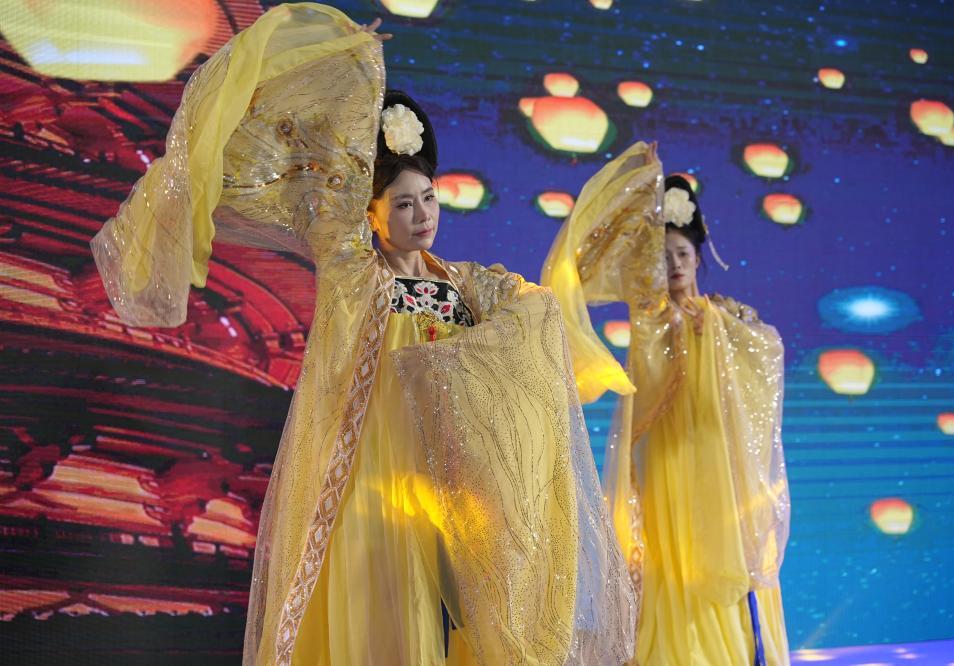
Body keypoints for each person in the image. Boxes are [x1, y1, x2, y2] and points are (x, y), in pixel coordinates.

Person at [90, 4, 634, 665]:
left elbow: (532, 310)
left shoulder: (467, 284)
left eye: (429, 198)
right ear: (372, 215)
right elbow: (328, 201)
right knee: (394, 625)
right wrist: (358, 79)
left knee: (467, 622)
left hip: (454, 485)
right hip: (379, 486)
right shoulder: (357, 275)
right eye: (403, 203)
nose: (422, 215)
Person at [542, 141, 791, 665]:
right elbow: (588, 260)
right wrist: (640, 189)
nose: (674, 264)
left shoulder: (726, 315)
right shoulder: (652, 316)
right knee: (665, 551)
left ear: (699, 257)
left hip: (716, 461)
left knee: (719, 550)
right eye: (664, 256)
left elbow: (768, 353)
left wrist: (716, 330)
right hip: (665, 459)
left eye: (681, 254)